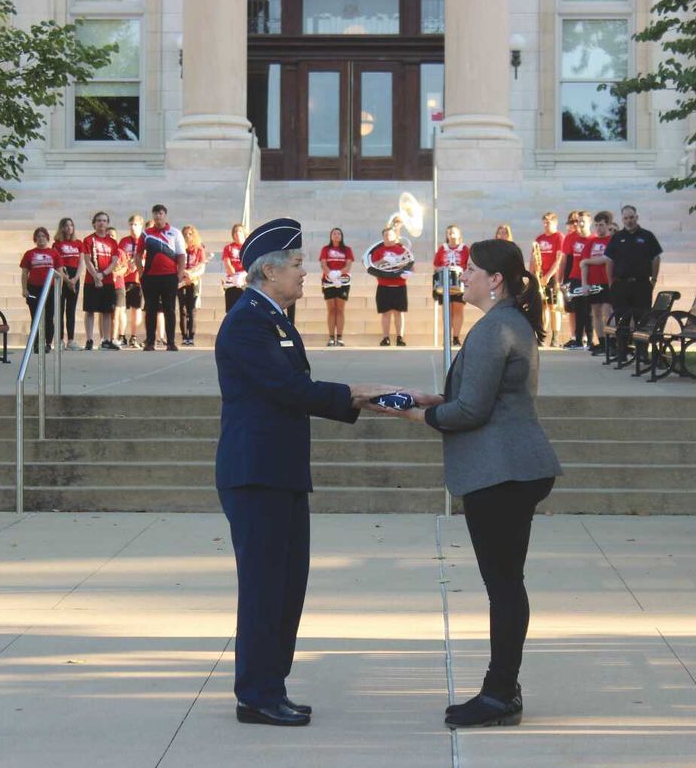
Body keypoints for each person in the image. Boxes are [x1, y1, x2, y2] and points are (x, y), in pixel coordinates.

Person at [214, 216, 427, 727]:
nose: (304, 272)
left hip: (280, 472)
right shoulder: (246, 322)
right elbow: (290, 391)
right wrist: (363, 395)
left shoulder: (273, 319)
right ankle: (256, 694)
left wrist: (379, 398)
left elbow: (297, 389)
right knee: (266, 587)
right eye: (295, 264)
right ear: (267, 272)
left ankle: (272, 686)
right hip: (256, 474)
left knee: (288, 585)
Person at [375, 238, 562, 729]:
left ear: (495, 279)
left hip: (501, 471)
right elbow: (478, 396)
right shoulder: (506, 323)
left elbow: (470, 411)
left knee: (503, 587)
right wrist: (426, 397)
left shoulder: (493, 328)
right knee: (506, 584)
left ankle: (500, 694)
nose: (464, 275)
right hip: (511, 466)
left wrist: (414, 413)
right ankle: (505, 689)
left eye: (472, 268)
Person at [134, 204, 187, 351]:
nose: (158, 216)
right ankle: (150, 341)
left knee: (169, 309)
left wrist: (179, 274)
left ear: (165, 215)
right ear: (152, 215)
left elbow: (181, 255)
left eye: (161, 213)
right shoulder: (146, 234)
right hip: (150, 277)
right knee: (150, 309)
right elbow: (137, 255)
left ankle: (170, 342)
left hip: (169, 277)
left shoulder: (175, 233)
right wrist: (140, 272)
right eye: (156, 213)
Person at [604, 204, 663, 318]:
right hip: (621, 285)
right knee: (621, 322)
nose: (629, 221)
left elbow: (656, 257)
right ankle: (623, 337)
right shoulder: (616, 237)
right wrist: (610, 282)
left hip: (642, 285)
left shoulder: (647, 236)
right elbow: (609, 260)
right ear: (622, 220)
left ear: (636, 217)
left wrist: (654, 279)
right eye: (626, 218)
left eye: (631, 217)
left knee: (641, 321)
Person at [80, 211, 121, 351]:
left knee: (106, 312)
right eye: (98, 220)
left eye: (104, 220)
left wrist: (103, 274)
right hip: (91, 281)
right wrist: (96, 276)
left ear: (107, 223)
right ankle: (89, 339)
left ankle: (106, 340)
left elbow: (114, 261)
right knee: (90, 311)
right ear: (94, 223)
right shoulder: (88, 240)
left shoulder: (113, 242)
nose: (101, 223)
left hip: (108, 281)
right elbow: (87, 259)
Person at [577, 211, 614, 356]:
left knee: (607, 311)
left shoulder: (612, 241)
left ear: (608, 225)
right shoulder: (591, 242)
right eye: (597, 225)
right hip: (593, 283)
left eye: (602, 225)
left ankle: (612, 343)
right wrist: (584, 284)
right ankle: (602, 342)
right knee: (596, 313)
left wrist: (586, 261)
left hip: (608, 282)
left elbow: (606, 259)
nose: (599, 228)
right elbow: (582, 265)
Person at [19, 227, 59, 352]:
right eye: (38, 236)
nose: (41, 238)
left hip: (50, 288)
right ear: (35, 239)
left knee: (48, 317)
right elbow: (25, 272)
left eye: (43, 236)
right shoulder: (29, 254)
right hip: (34, 288)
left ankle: (47, 343)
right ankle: (36, 343)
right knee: (36, 316)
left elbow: (60, 272)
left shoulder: (54, 253)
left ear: (47, 238)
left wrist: (59, 289)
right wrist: (24, 289)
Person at [370, 225, 410, 347]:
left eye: (391, 235)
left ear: (395, 237)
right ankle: (385, 338)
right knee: (385, 313)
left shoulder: (401, 250)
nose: (388, 237)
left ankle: (400, 337)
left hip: (399, 285)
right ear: (383, 237)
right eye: (386, 235)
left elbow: (409, 264)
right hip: (384, 285)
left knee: (399, 313)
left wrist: (408, 272)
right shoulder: (378, 251)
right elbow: (372, 265)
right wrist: (383, 260)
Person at [432, 224, 470, 346]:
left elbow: (469, 264)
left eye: (454, 232)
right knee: (447, 311)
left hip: (460, 282)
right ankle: (447, 337)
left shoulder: (465, 249)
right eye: (449, 232)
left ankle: (456, 337)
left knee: (458, 309)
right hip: (445, 282)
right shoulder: (442, 248)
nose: (452, 234)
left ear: (459, 234)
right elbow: (436, 264)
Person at [560, 212, 592, 349]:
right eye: (578, 221)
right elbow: (567, 260)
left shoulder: (593, 239)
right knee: (577, 309)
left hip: (590, 279)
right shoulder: (572, 239)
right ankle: (577, 339)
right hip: (574, 278)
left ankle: (589, 340)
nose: (580, 224)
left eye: (583, 221)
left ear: (589, 222)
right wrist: (562, 280)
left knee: (589, 311)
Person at [531, 212, 563, 348]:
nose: (545, 225)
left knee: (553, 307)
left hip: (551, 278)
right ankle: (542, 336)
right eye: (544, 222)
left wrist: (548, 276)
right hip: (539, 277)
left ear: (555, 223)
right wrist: (533, 275)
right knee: (542, 307)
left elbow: (559, 259)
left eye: (548, 222)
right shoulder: (539, 238)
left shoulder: (559, 237)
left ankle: (555, 337)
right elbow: (534, 257)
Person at [319, 227, 354, 346]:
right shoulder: (325, 249)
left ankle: (339, 337)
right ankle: (330, 337)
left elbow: (348, 265)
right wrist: (331, 275)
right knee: (331, 309)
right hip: (328, 281)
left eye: (338, 233)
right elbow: (323, 264)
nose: (336, 235)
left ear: (341, 236)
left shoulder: (347, 250)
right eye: (334, 233)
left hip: (343, 281)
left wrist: (339, 274)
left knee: (339, 309)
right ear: (331, 236)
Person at [52, 218, 83, 350]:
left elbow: (82, 262)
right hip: (61, 277)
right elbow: (57, 264)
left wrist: (75, 278)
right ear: (62, 228)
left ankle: (71, 340)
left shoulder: (78, 243)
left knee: (71, 310)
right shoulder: (57, 245)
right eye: (66, 225)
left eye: (71, 225)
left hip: (75, 275)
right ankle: (59, 340)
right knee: (59, 309)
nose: (69, 228)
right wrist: (66, 279)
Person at [117, 215, 144, 348]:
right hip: (124, 278)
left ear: (141, 226)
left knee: (136, 309)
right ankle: (121, 336)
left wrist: (138, 263)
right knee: (121, 309)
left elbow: (147, 256)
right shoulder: (124, 241)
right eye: (131, 225)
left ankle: (134, 336)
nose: (133, 228)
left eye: (136, 225)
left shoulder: (144, 240)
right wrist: (128, 264)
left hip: (137, 280)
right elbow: (120, 256)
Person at [179, 224, 207, 346]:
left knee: (192, 310)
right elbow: (176, 264)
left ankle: (191, 336)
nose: (187, 236)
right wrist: (185, 273)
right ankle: (184, 336)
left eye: (190, 234)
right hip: (181, 281)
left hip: (194, 281)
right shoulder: (179, 249)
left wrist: (192, 275)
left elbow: (202, 265)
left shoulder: (199, 249)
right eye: (185, 234)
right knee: (182, 309)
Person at [222, 224, 247, 313]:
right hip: (232, 282)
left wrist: (243, 276)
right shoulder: (228, 248)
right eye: (235, 231)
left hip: (245, 282)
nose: (237, 233)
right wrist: (235, 276)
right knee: (231, 311)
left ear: (244, 233)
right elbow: (227, 263)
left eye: (239, 231)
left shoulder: (248, 247)